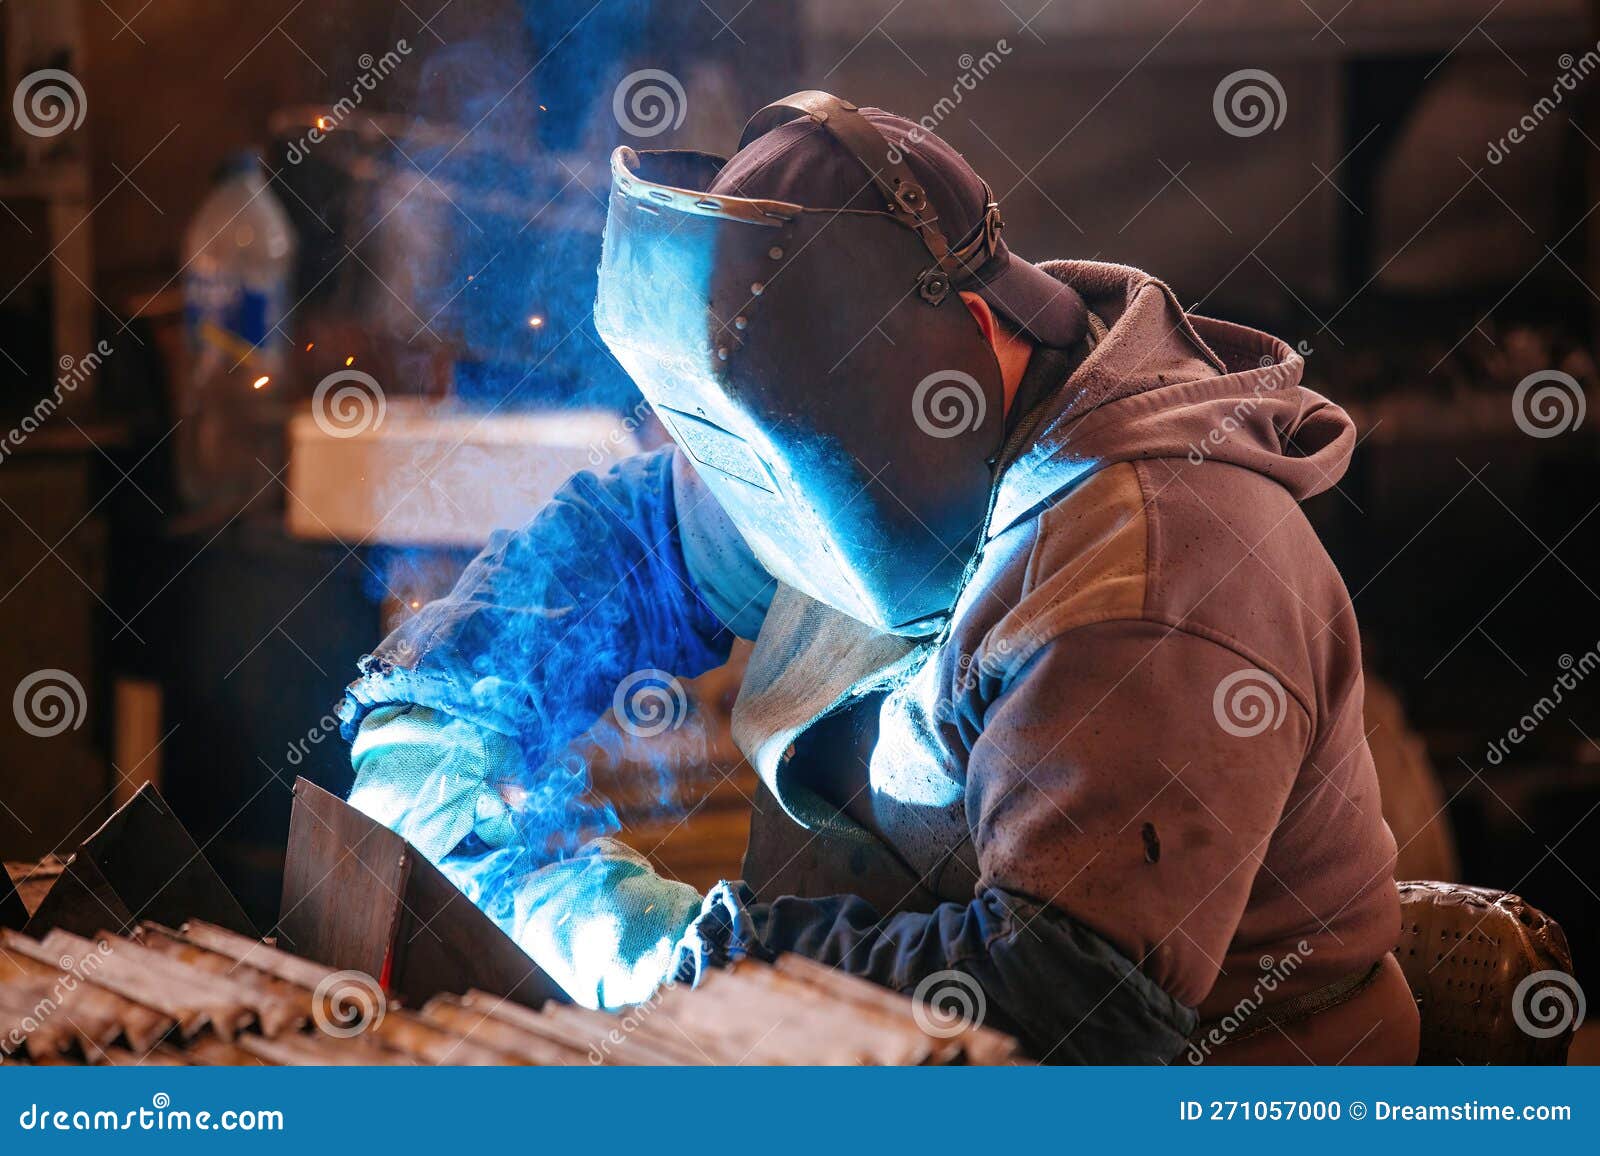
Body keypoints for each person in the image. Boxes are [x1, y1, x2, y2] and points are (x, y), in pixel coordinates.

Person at [339, 92, 1420, 1064]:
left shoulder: (1154, 567)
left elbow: (1063, 1008)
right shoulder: (854, 419)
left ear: (970, 340)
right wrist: (444, 702)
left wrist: (675, 961)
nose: (783, 514)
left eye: (809, 467)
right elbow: (638, 538)